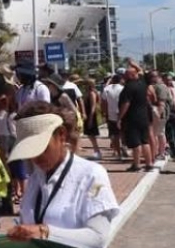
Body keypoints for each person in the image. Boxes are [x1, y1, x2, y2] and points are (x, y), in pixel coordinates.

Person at [7, 102, 120, 248]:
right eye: (30, 151)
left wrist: (45, 232)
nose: (36, 157)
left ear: (61, 135)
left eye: (42, 148)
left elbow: (98, 237)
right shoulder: (36, 177)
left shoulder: (91, 174)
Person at [116, 62, 155, 172]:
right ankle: (149, 163)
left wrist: (120, 118)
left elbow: (126, 104)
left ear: (131, 76)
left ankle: (136, 165)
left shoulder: (129, 87)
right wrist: (133, 63)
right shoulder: (142, 83)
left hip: (132, 118)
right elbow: (141, 71)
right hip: (144, 116)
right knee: (145, 141)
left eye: (126, 75)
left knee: (135, 143)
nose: (124, 77)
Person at [100, 74, 124, 160]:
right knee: (123, 132)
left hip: (111, 114)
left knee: (115, 135)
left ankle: (118, 153)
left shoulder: (106, 89)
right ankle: (124, 147)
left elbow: (103, 103)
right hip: (122, 114)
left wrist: (105, 113)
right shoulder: (122, 88)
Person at [78, 78, 103, 161]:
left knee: (92, 135)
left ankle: (97, 151)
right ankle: (96, 151)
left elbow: (93, 107)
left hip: (91, 115)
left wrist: (91, 119)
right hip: (89, 115)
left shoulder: (92, 93)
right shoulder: (87, 93)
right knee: (90, 135)